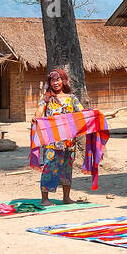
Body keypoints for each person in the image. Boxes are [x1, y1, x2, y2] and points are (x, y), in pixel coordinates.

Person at [34, 67, 85, 204]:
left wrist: (94, 115)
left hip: (69, 142)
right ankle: (45, 199)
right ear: (49, 83)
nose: (55, 83)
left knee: (67, 170)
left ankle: (66, 197)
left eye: (58, 80)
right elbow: (39, 112)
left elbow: (81, 113)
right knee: (49, 168)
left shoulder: (72, 99)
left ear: (64, 81)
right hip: (52, 142)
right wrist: (36, 118)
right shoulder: (46, 98)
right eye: (52, 81)